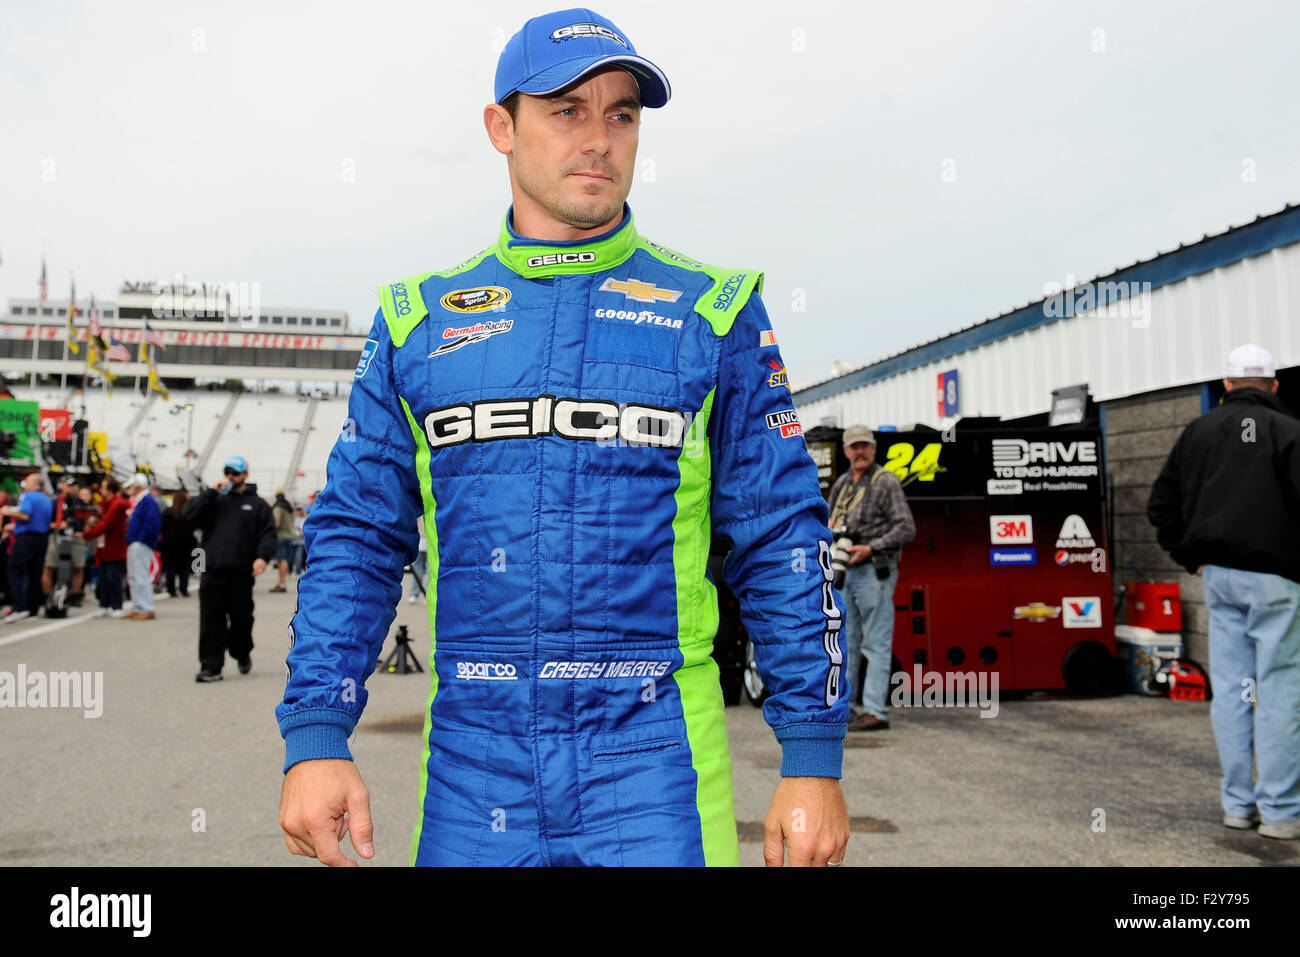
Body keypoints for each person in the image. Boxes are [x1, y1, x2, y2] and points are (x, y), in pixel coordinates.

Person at [276, 8, 850, 868]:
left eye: (622, 113)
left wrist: (811, 753)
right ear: (501, 128)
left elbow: (781, 538)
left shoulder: (713, 311)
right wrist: (317, 733)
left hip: (656, 764)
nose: (601, 139)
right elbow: (358, 538)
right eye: (567, 110)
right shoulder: (416, 322)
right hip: (476, 764)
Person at [1147, 343, 1300, 841]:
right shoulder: (1291, 431)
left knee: (1233, 691)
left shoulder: (1198, 432)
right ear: (1275, 385)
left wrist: (1189, 556)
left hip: (1218, 576)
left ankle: (1238, 805)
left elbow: (1160, 505)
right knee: (1279, 692)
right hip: (1278, 578)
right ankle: (1279, 813)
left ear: (1227, 385)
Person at [827, 426, 916, 732]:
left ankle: (876, 711)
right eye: (854, 447)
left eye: (864, 445)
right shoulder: (841, 484)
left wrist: (870, 547)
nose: (859, 451)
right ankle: (847, 708)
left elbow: (906, 528)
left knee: (875, 643)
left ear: (874, 448)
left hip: (874, 570)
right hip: (845, 571)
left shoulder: (885, 482)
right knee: (845, 643)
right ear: (846, 450)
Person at [184, 455, 276, 682]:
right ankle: (210, 667)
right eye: (228, 473)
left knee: (241, 620)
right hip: (212, 569)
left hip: (242, 572)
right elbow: (189, 517)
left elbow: (268, 534)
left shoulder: (257, 505)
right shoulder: (213, 500)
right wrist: (211, 492)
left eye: (236, 473)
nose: (231, 477)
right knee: (210, 620)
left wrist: (262, 557)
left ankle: (241, 652)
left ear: (245, 475)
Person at [1, 471, 53, 624]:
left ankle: (18, 608)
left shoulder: (28, 496)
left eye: (28, 481)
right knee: (34, 572)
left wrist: (7, 511)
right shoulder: (46, 499)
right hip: (41, 539)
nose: (25, 484)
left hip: (26, 539)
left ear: (35, 484)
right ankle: (33, 609)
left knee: (15, 569)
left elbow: (25, 515)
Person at [79, 476, 130, 619]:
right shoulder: (106, 504)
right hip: (105, 546)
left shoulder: (117, 504)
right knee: (104, 578)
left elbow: (106, 524)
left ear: (110, 489)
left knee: (113, 577)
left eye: (103, 487)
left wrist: (86, 534)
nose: (100, 490)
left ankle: (117, 606)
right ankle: (104, 605)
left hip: (114, 546)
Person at [42, 477, 88, 606]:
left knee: (78, 566)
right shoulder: (54, 502)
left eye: (73, 485)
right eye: (68, 485)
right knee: (49, 566)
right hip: (58, 537)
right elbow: (45, 522)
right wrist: (57, 525)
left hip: (75, 538)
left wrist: (83, 529)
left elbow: (87, 520)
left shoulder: (79, 503)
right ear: (61, 485)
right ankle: (47, 596)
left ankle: (74, 596)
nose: (71, 488)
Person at [124, 473, 162, 621]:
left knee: (140, 576)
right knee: (134, 577)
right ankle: (138, 607)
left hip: (141, 543)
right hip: (137, 542)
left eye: (131, 486)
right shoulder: (143, 500)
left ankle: (146, 607)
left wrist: (141, 539)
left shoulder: (147, 501)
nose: (129, 489)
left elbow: (152, 522)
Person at [160, 489, 197, 597]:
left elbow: (162, 528)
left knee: (169, 568)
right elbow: (192, 527)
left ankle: (171, 589)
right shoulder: (188, 513)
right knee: (184, 569)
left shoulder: (168, 512)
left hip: (169, 544)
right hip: (185, 544)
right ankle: (183, 589)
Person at [270, 488, 295, 593]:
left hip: (280, 537)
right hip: (289, 536)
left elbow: (276, 522)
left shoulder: (278, 507)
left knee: (281, 560)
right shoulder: (289, 508)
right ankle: (282, 582)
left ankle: (282, 584)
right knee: (284, 559)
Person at [291, 506, 307, 576]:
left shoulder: (304, 519)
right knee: (290, 557)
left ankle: (298, 571)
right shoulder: (292, 519)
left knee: (298, 556)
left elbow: (302, 531)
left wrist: (299, 532)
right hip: (292, 541)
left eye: (299, 510)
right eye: (297, 510)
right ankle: (290, 570)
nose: (298, 512)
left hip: (300, 542)